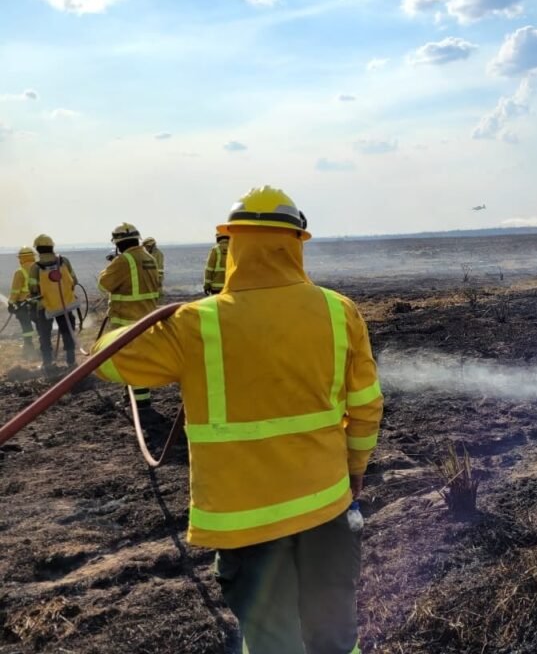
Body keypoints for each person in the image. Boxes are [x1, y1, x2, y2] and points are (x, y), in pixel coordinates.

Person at [91, 186, 383, 654]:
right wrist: (356, 471)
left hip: (244, 522)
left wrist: (137, 324)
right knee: (334, 634)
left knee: (271, 641)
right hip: (327, 503)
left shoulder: (194, 325)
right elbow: (367, 406)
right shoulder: (338, 310)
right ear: (296, 242)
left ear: (231, 245)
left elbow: (103, 361)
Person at [98, 223, 161, 406]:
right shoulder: (149, 258)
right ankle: (133, 396)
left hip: (126, 320)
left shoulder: (123, 260)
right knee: (140, 359)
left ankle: (140, 402)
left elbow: (103, 285)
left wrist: (112, 265)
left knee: (131, 361)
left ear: (118, 243)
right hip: (148, 318)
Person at [27, 234, 80, 373]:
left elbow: (33, 289)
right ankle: (71, 361)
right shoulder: (64, 261)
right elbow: (74, 280)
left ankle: (48, 363)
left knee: (44, 336)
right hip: (65, 306)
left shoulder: (35, 267)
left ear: (38, 249)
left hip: (45, 308)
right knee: (68, 332)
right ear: (52, 247)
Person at [7, 246, 38, 355]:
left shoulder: (19, 272)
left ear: (21, 259)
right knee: (40, 323)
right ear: (33, 257)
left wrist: (11, 304)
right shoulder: (39, 268)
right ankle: (44, 345)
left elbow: (15, 291)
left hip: (23, 304)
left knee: (26, 325)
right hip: (38, 302)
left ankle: (29, 347)